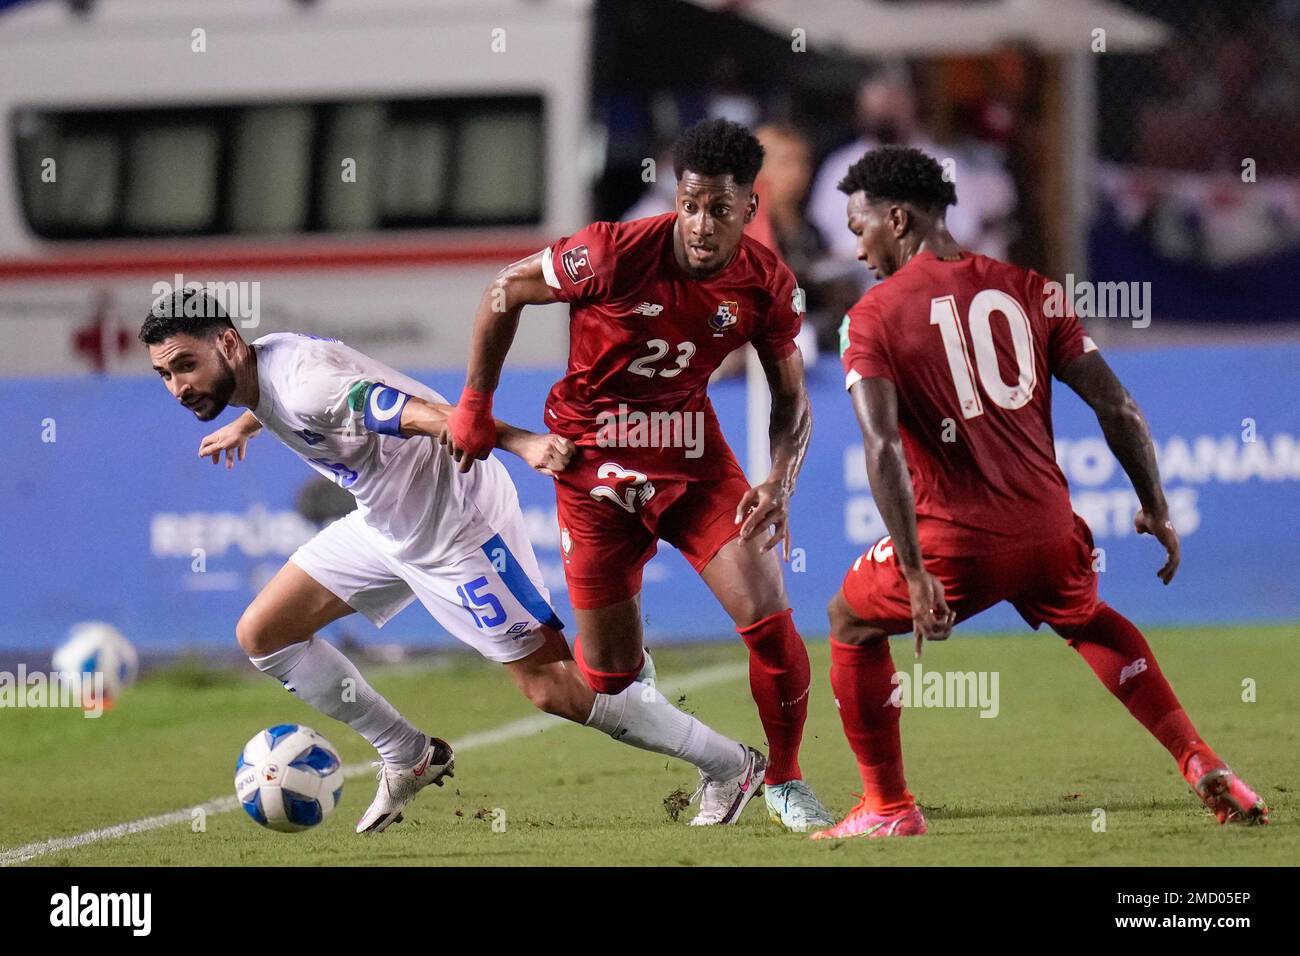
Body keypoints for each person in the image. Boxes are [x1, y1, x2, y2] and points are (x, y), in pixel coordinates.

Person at [141, 290, 767, 832]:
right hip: (384, 524)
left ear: (227, 342)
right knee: (265, 634)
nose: (178, 388)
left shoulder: (306, 385)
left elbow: (428, 416)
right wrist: (244, 426)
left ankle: (731, 765)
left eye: (185, 367)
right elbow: (282, 398)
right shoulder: (265, 360)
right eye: (165, 376)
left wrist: (520, 442)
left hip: (456, 528)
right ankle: (407, 753)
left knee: (555, 689)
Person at [813, 146, 1268, 839]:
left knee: (848, 619)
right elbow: (1120, 409)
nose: (857, 247)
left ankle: (888, 806)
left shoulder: (871, 317)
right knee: (1087, 617)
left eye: (859, 228)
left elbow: (881, 449)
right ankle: (1199, 756)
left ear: (896, 219)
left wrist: (913, 570)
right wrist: (1156, 505)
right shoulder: (1033, 288)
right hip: (1050, 530)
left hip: (955, 541)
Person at [444, 118, 835, 831]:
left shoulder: (766, 283)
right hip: (592, 471)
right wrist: (477, 401)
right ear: (675, 198)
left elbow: (791, 399)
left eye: (720, 208)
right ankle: (643, 680)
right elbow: (506, 290)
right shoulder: (611, 252)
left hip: (693, 463)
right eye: (690, 203)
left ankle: (784, 779)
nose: (700, 222)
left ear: (751, 207)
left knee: (771, 622)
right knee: (610, 681)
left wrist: (780, 478)